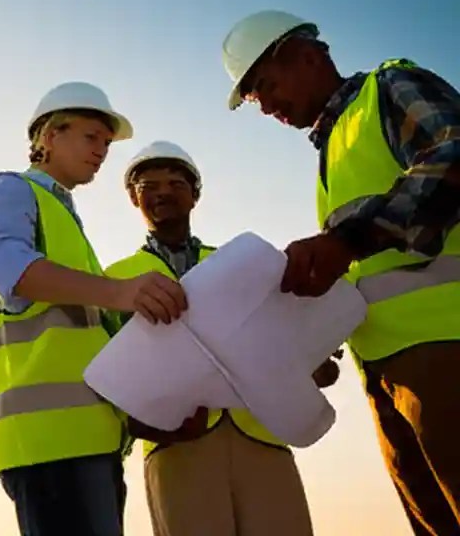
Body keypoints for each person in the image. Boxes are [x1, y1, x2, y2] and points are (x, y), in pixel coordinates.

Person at [222, 10, 460, 534]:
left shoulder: (389, 87)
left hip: (446, 349)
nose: (264, 106)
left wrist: (348, 240)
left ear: (308, 56)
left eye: (264, 85)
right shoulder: (335, 148)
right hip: (386, 376)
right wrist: (316, 334)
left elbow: (454, 155)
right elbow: (366, 272)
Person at [0, 81, 190, 536]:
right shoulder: (13, 190)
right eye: (92, 137)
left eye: (107, 144)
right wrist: (121, 293)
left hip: (91, 442)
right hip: (50, 446)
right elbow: (6, 269)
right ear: (50, 136)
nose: (101, 152)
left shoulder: (64, 219)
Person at [104, 140, 337, 536]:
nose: (163, 192)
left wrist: (310, 361)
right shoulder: (115, 280)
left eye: (176, 183)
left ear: (195, 196)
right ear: (132, 198)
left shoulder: (243, 265)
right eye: (149, 186)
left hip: (261, 434)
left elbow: (285, 340)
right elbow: (108, 373)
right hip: (176, 443)